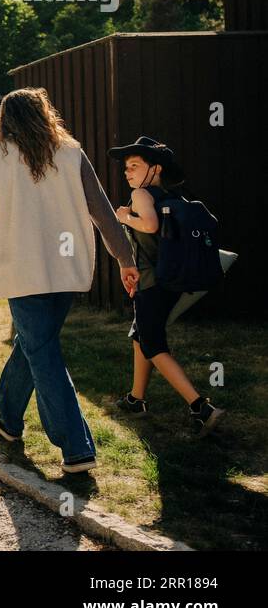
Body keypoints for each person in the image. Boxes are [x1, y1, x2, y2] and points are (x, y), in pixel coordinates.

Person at [0, 88, 138, 474]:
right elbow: (102, 211)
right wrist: (125, 258)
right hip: (66, 271)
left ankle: (76, 446)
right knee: (35, 345)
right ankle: (7, 419)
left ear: (5, 120)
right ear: (45, 114)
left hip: (23, 273)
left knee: (43, 352)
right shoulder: (71, 154)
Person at [108, 136, 225, 434]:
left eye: (135, 165)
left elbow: (149, 226)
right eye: (126, 167)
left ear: (155, 168)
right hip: (170, 281)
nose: (128, 172)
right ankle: (136, 398)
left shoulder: (142, 195)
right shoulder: (174, 197)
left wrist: (124, 216)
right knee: (141, 334)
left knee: (153, 343)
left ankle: (200, 406)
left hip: (152, 284)